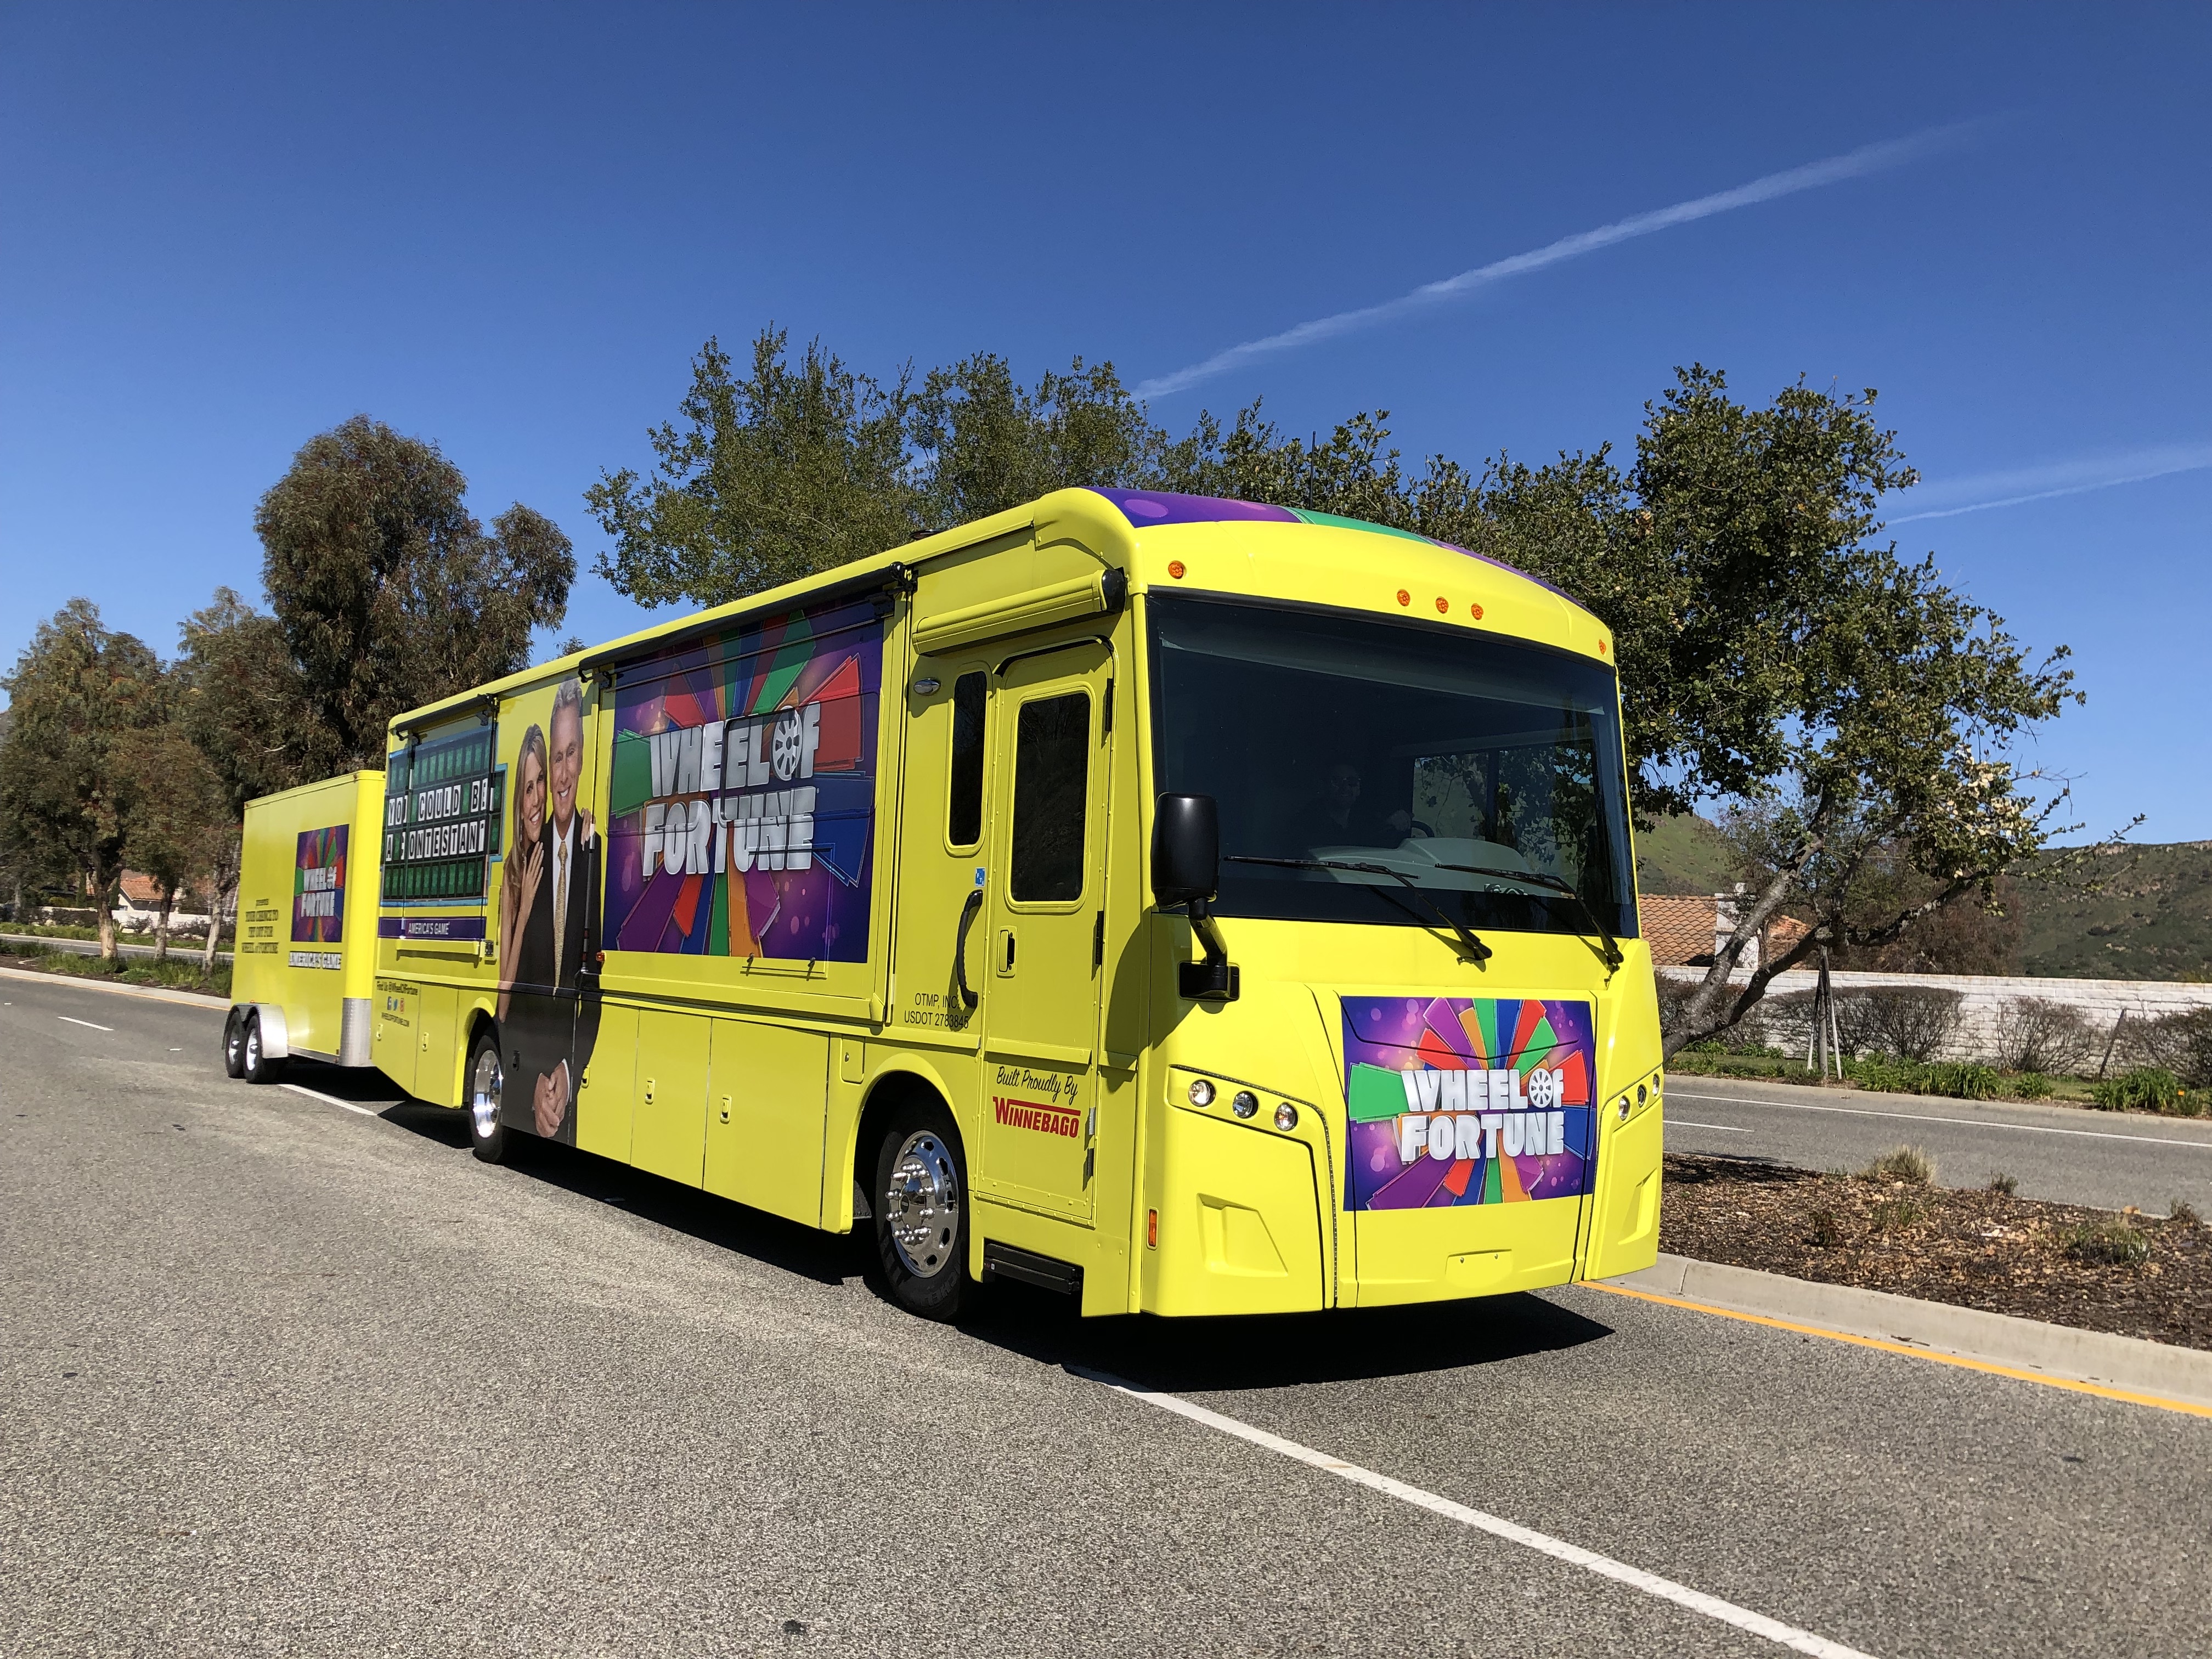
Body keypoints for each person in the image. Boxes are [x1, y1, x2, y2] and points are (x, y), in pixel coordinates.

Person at [515, 678, 600, 1143]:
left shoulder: (593, 850)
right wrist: (531, 1076)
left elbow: (595, 983)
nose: (563, 775)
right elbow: (517, 986)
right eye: (557, 759)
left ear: (583, 758)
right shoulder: (530, 859)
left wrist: (570, 1068)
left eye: (572, 754)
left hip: (568, 1081)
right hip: (530, 1078)